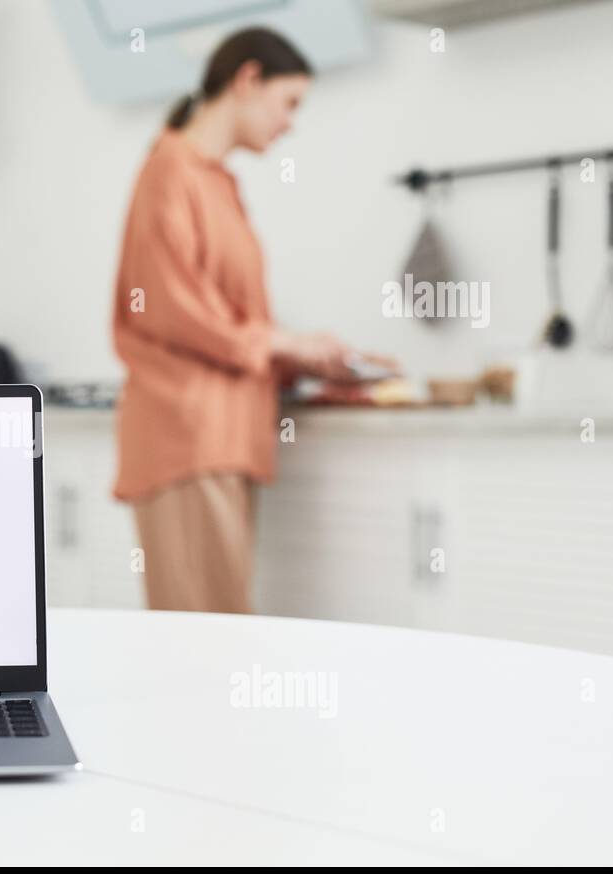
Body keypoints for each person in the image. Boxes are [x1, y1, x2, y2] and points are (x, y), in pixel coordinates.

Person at [112, 27, 396, 614]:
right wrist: (290, 343)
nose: (291, 121)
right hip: (187, 439)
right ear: (247, 80)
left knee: (217, 639)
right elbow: (174, 311)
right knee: (202, 650)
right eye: (289, 102)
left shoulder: (217, 183)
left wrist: (310, 362)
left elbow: (227, 321)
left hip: (222, 439)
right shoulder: (171, 171)